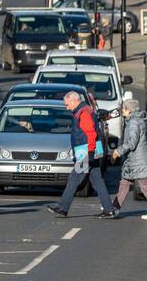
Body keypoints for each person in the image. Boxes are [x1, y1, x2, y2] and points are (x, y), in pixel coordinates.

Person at [48, 90, 116, 219]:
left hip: (85, 152)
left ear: (74, 100)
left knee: (74, 179)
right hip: (92, 151)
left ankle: (62, 208)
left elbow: (90, 133)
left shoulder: (83, 112)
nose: (67, 108)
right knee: (97, 181)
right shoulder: (85, 110)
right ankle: (109, 209)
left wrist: (88, 153)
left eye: (67, 104)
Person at [111, 97, 147, 220]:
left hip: (138, 160)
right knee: (124, 184)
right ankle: (114, 208)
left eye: (123, 109)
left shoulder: (133, 123)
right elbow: (145, 142)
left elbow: (132, 143)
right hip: (134, 160)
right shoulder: (138, 121)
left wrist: (118, 151)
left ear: (129, 110)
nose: (122, 111)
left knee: (145, 186)